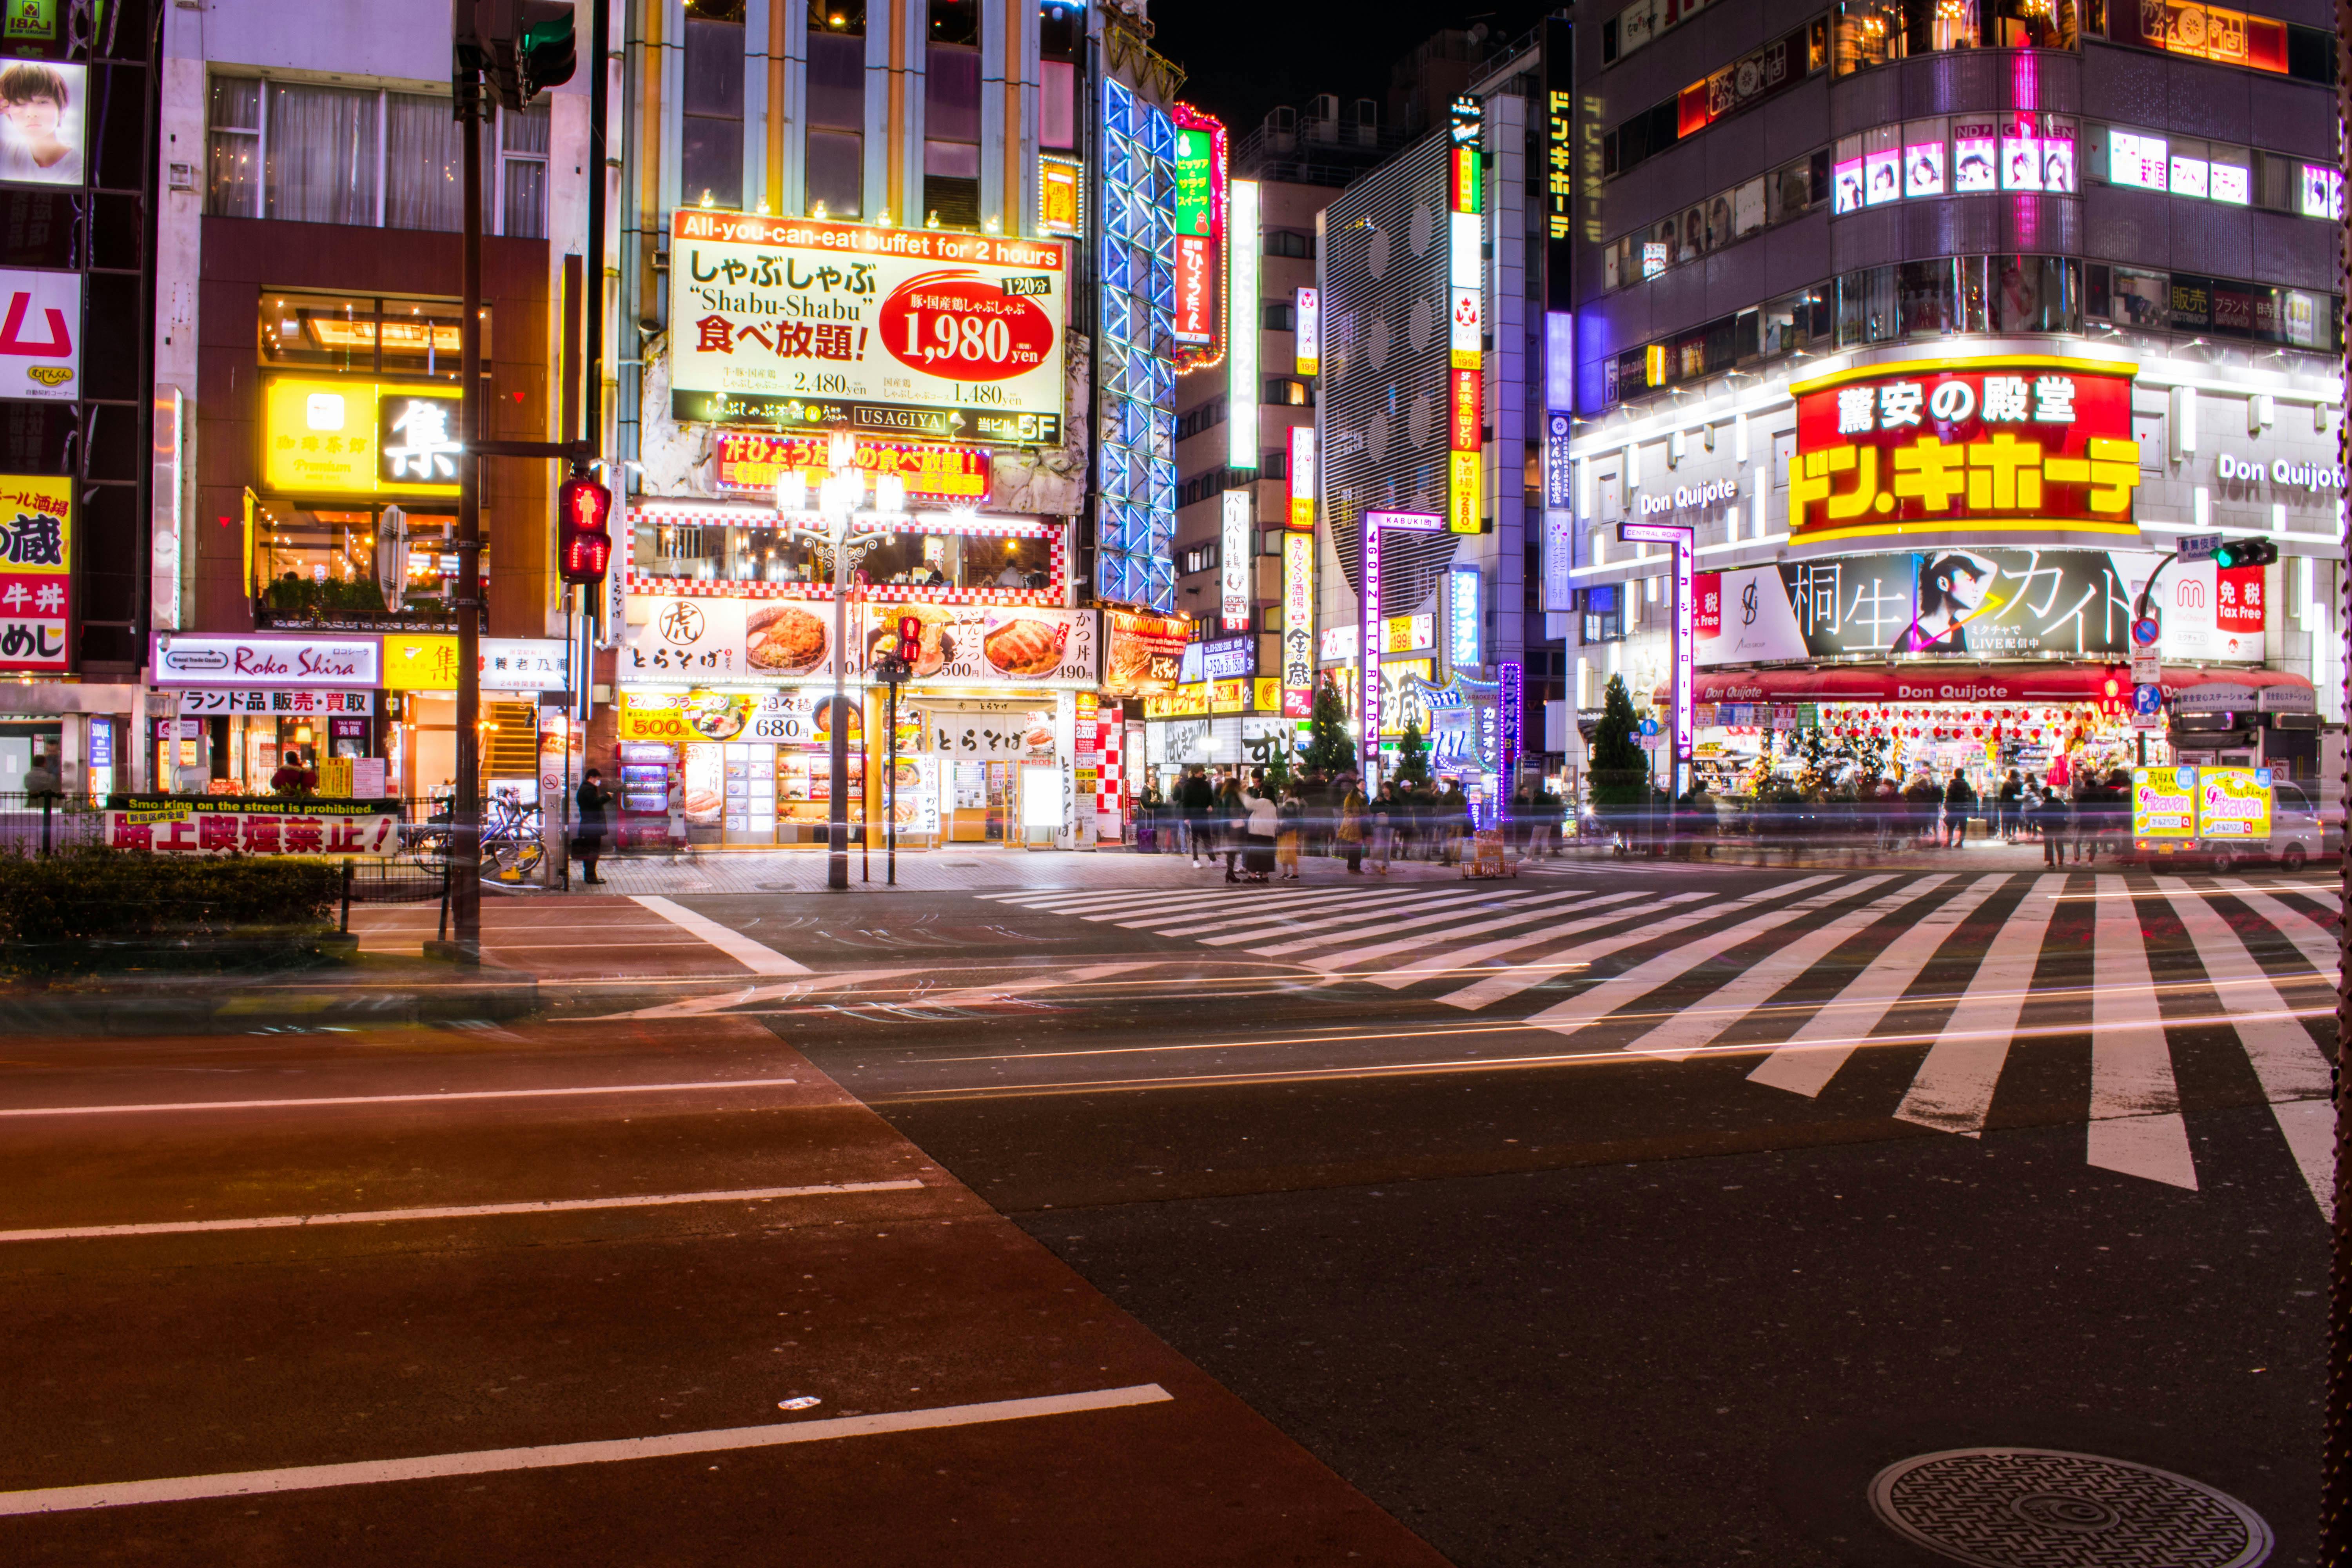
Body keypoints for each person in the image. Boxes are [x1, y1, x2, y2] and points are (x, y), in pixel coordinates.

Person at [0, 63, 78, 184]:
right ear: (7, 109)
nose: (32, 113)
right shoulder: (5, 152)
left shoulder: (78, 169)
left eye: (42, 102)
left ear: (61, 109)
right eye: (20, 103)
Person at [575, 767, 612, 884]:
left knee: (590, 852)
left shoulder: (586, 788)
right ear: (592, 778)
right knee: (593, 852)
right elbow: (595, 803)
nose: (598, 782)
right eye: (597, 779)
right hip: (592, 827)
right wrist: (607, 797)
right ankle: (591, 876)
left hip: (589, 825)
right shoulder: (588, 790)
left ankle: (590, 875)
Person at [1240, 783, 1278, 882]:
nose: (1261, 792)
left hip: (1258, 833)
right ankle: (1265, 877)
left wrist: (1244, 793)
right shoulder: (1272, 805)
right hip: (1268, 834)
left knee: (1254, 855)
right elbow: (1275, 821)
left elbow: (1250, 804)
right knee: (1266, 856)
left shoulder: (1263, 802)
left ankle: (1253, 877)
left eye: (1262, 791)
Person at [1179, 765, 1213, 866]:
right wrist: (1186, 817)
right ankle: (1195, 860)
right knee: (1194, 839)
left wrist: (1210, 805)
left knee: (1207, 838)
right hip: (1194, 816)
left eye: (1202, 771)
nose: (1201, 773)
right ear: (1194, 772)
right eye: (1199, 771)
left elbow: (1211, 797)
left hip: (1204, 815)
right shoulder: (1188, 785)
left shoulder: (1206, 784)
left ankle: (1213, 860)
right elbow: (1185, 802)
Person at [1216, 773, 1245, 882]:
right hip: (1233, 826)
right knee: (1232, 851)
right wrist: (1241, 814)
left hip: (1229, 826)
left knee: (1232, 851)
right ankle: (1230, 873)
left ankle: (1230, 873)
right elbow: (1232, 811)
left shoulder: (1226, 796)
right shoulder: (1232, 797)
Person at [2033, 786, 2071, 867]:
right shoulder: (2059, 802)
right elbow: (2067, 811)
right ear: (2051, 793)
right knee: (2059, 843)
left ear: (2043, 795)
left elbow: (2040, 816)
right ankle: (2061, 862)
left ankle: (2051, 863)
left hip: (2048, 826)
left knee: (2049, 844)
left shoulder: (2044, 805)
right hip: (2059, 825)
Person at [1336, 777, 1367, 873]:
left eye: (1365, 785)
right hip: (1353, 825)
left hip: (1362, 825)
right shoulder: (1351, 797)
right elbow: (1346, 811)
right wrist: (1356, 816)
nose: (1364, 786)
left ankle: (1357, 867)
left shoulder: (1365, 797)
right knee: (1353, 847)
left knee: (1359, 848)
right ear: (1357, 785)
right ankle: (1351, 867)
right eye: (1362, 784)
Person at [1275, 784, 1305, 880]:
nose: (1283, 794)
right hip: (1286, 829)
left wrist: (1287, 829)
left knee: (1289, 852)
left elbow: (1290, 818)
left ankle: (1295, 873)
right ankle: (1286, 873)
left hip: (1288, 830)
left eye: (1284, 792)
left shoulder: (1290, 803)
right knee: (1284, 852)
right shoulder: (1290, 802)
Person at [1368, 782, 1396, 874]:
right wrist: (1378, 802)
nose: (1384, 790)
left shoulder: (1395, 800)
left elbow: (1399, 812)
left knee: (1388, 846)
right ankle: (1373, 861)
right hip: (1379, 824)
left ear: (1391, 789)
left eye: (1386, 788)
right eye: (1383, 788)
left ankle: (1384, 866)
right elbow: (1372, 809)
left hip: (1390, 825)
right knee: (1378, 844)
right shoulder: (1379, 798)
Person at [1942, 769, 1975, 848]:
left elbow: (1949, 797)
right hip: (1964, 808)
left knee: (1951, 826)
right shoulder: (1966, 784)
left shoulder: (1952, 785)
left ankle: (1949, 843)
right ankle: (1961, 842)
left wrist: (1947, 807)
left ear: (1955, 774)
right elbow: (1971, 795)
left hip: (1954, 808)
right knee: (1963, 826)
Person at [666, 767, 690, 859]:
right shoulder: (676, 791)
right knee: (674, 826)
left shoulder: (679, 791)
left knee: (677, 826)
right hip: (674, 815)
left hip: (677, 815)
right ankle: (676, 845)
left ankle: (677, 844)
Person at [1996, 769, 2023, 842]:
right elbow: (2021, 794)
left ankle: (2007, 835)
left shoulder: (2006, 783)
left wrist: (2000, 805)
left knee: (2007, 820)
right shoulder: (2020, 783)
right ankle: (2013, 835)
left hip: (2007, 803)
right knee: (2014, 820)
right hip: (2017, 803)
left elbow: (2002, 794)